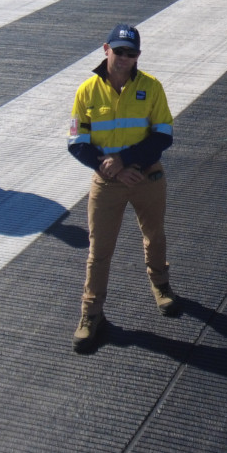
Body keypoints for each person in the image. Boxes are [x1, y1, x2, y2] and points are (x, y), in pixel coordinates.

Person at [67, 23, 178, 351]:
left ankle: (161, 285)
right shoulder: (87, 91)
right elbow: (76, 142)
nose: (124, 58)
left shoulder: (151, 87)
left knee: (154, 235)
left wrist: (126, 161)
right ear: (106, 50)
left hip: (146, 176)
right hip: (107, 182)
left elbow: (163, 135)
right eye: (119, 51)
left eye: (131, 53)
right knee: (99, 250)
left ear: (138, 56)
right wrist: (111, 170)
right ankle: (91, 313)